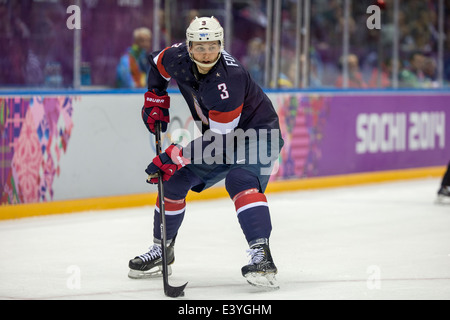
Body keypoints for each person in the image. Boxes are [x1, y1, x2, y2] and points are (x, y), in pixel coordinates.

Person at [128, 17, 284, 289]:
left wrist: (173, 156)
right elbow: (156, 65)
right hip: (221, 136)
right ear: (188, 47)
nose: (206, 53)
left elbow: (220, 141)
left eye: (212, 46)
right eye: (199, 47)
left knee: (240, 180)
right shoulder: (177, 57)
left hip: (257, 133)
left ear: (221, 45)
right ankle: (162, 248)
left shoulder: (228, 80)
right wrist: (155, 97)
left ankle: (262, 255)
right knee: (173, 182)